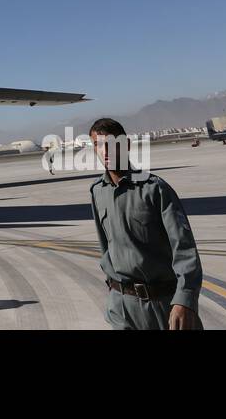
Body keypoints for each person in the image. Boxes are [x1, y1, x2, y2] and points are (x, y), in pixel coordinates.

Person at [87, 118, 202, 330]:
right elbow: (105, 247)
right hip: (120, 307)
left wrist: (184, 300)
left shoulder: (154, 189)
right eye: (98, 144)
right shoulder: (97, 191)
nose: (105, 151)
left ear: (126, 145)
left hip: (161, 304)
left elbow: (184, 248)